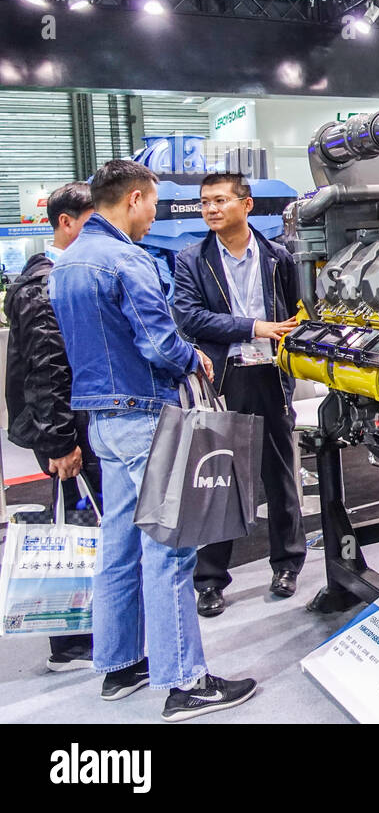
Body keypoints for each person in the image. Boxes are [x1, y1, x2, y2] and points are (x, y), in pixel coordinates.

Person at [49, 159, 256, 721]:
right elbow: (160, 345)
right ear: (136, 198)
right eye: (153, 204)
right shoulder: (125, 259)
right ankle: (185, 681)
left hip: (103, 424)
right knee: (169, 548)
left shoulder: (67, 264)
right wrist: (194, 358)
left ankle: (120, 666)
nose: (153, 216)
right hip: (143, 416)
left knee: (118, 544)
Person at [173, 173, 303, 616]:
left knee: (279, 475)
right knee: (217, 478)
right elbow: (189, 318)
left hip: (270, 375)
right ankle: (209, 580)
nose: (210, 208)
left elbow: (295, 311)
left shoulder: (277, 257)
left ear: (246, 205)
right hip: (224, 379)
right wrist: (252, 327)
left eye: (220, 200)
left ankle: (287, 564)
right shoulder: (191, 260)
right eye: (205, 201)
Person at [3, 183, 102, 672]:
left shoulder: (60, 275)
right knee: (76, 531)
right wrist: (61, 441)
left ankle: (88, 629)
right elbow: (46, 368)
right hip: (68, 433)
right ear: (67, 222)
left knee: (86, 527)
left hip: (75, 426)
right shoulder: (44, 282)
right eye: (92, 219)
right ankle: (69, 643)